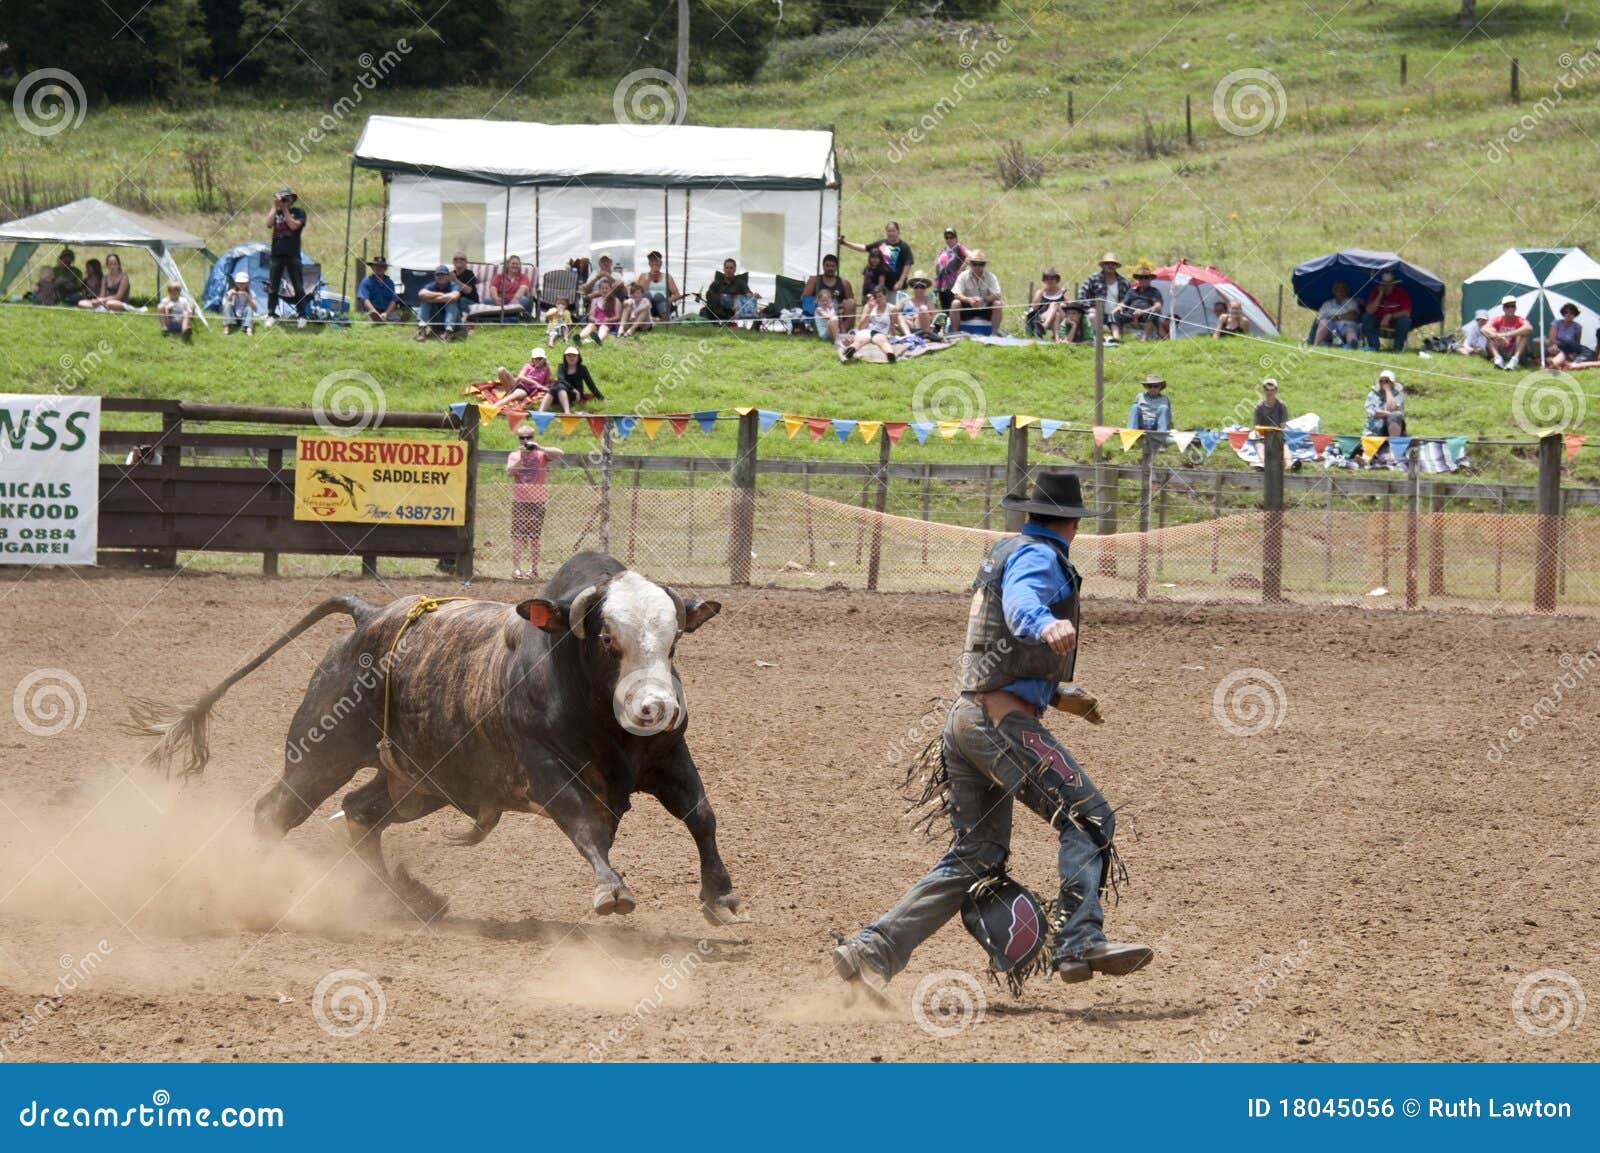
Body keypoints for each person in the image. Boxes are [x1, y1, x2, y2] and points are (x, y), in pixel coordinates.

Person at [832, 470, 1150, 993]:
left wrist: (1055, 693)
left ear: (1032, 513)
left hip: (966, 720)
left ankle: (872, 950)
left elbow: (997, 644)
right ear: (1073, 523)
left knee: (977, 855)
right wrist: (1045, 623)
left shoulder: (1006, 551)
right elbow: (1022, 606)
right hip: (1002, 726)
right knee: (1090, 818)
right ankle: (1079, 940)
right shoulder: (1041, 558)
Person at [505, 425, 565, 581]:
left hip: (538, 501)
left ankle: (534, 569)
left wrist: (540, 447)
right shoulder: (514, 455)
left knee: (535, 537)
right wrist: (522, 457)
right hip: (520, 501)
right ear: (518, 439)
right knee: (518, 536)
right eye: (522, 438)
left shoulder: (541, 454)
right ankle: (516, 569)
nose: (526, 441)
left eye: (529, 437)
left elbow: (560, 453)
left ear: (533, 438)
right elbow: (509, 472)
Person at [265, 187, 307, 329]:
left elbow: (293, 226)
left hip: (292, 254)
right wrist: (275, 206)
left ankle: (301, 315)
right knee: (273, 286)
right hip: (277, 254)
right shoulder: (276, 212)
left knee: (298, 286)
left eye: (286, 199)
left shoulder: (299, 213)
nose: (283, 201)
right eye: (282, 198)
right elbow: (268, 224)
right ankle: (271, 314)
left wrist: (284, 209)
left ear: (292, 200)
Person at [1073, 254, 1131, 344]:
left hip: (1117, 315)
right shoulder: (1093, 278)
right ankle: (1097, 338)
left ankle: (1116, 339)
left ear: (1116, 266)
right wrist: (1089, 307)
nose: (1110, 266)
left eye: (1113, 264)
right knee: (1092, 315)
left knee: (1118, 317)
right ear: (1103, 265)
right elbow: (1081, 295)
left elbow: (1130, 298)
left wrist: (1122, 305)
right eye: (1107, 263)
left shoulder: (1123, 282)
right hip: (1098, 313)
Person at [840, 220, 913, 292]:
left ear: (898, 231)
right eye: (889, 231)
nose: (891, 233)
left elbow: (907, 264)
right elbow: (864, 248)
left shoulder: (904, 246)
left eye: (893, 231)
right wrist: (845, 243)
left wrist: (901, 281)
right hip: (880, 289)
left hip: (897, 287)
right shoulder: (881, 243)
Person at [950, 249, 1003, 332]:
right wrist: (969, 300)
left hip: (985, 308)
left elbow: (997, 295)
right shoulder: (963, 276)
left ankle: (994, 333)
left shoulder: (991, 276)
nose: (978, 267)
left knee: (998, 303)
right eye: (975, 264)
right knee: (955, 303)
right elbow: (956, 294)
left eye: (981, 264)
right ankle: (954, 333)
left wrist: (983, 299)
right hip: (967, 308)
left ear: (985, 265)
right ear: (970, 264)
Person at [1361, 271, 1412, 352]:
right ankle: (1374, 347)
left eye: (1389, 284)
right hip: (1378, 320)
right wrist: (1380, 294)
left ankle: (1397, 349)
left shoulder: (1401, 293)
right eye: (1384, 284)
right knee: (1366, 318)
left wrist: (1390, 316)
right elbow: (1369, 311)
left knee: (1405, 320)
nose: (1386, 286)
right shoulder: (1375, 292)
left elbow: (1407, 312)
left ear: (1394, 284)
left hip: (1395, 321)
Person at [804, 254, 856, 332]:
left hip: (837, 311)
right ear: (823, 266)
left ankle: (842, 333)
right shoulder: (814, 280)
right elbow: (805, 300)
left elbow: (851, 303)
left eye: (832, 266)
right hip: (820, 311)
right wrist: (821, 305)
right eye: (827, 266)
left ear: (836, 267)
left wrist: (840, 306)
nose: (830, 268)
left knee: (851, 303)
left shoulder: (844, 283)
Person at [842, 289, 897, 362]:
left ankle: (890, 355)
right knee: (860, 340)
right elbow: (861, 327)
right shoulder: (868, 307)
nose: (878, 299)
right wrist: (870, 311)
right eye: (876, 297)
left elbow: (892, 325)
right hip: (867, 330)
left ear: (886, 296)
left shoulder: (892, 308)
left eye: (880, 296)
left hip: (880, 333)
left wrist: (894, 336)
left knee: (882, 342)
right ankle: (849, 352)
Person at [1117, 263, 1168, 340]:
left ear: (1150, 279)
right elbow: (1124, 303)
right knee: (1115, 315)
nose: (1143, 280)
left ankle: (1144, 339)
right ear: (1138, 279)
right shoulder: (1132, 291)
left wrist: (1142, 312)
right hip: (1130, 314)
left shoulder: (1154, 291)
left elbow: (1158, 306)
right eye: (1141, 278)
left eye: (1146, 277)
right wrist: (1120, 307)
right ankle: (1116, 338)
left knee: (1153, 314)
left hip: (1146, 315)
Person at [545, 346, 603, 413]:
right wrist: (573, 389)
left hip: (575, 396)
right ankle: (540, 413)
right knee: (557, 386)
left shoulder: (582, 368)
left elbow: (590, 384)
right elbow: (561, 379)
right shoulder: (561, 366)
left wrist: (601, 398)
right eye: (569, 356)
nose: (571, 358)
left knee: (559, 386)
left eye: (574, 356)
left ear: (578, 357)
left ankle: (567, 412)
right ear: (565, 357)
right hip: (564, 393)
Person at [492, 347, 552, 411]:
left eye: (540, 359)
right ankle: (509, 393)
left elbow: (546, 383)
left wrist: (543, 388)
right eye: (536, 359)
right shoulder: (528, 366)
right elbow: (520, 376)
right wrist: (535, 383)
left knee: (511, 397)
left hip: (525, 390)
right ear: (532, 359)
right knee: (501, 370)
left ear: (544, 359)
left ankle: (493, 407)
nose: (539, 361)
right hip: (517, 384)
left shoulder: (546, 370)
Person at [416, 264, 465, 341]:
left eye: (443, 274)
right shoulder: (432, 285)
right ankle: (422, 329)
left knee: (450, 301)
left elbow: (454, 296)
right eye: (438, 274)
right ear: (435, 276)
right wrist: (439, 294)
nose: (440, 276)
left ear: (448, 276)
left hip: (455, 323)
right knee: (425, 300)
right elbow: (421, 294)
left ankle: (448, 332)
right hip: (437, 321)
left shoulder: (454, 285)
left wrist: (432, 299)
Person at [1483, 295, 1532, 370]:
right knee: (1490, 336)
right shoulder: (1498, 319)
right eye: (1507, 306)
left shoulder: (1519, 319)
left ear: (1515, 308)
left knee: (1523, 335)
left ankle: (1514, 361)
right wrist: (1498, 336)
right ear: (1503, 308)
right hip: (1501, 348)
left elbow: (1529, 328)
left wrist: (1506, 334)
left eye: (1512, 306)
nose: (1510, 309)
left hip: (1514, 350)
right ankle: (1498, 359)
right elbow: (1484, 329)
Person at [702, 258, 758, 324]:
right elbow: (709, 295)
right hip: (718, 308)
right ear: (724, 269)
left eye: (731, 268)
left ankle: (727, 321)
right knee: (706, 306)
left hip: (733, 310)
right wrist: (721, 298)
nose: (729, 270)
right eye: (727, 268)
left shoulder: (740, 283)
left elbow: (748, 294)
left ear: (735, 269)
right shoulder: (717, 283)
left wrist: (753, 296)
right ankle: (723, 321)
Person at [635, 250, 683, 322]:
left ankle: (664, 318)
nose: (654, 263)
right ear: (649, 263)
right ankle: (648, 317)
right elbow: (639, 293)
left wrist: (668, 300)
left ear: (660, 263)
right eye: (652, 261)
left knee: (658, 296)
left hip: (662, 304)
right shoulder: (643, 276)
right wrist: (650, 277)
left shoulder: (667, 277)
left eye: (656, 261)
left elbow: (677, 295)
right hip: (648, 304)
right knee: (647, 294)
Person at [1025, 267, 1071, 342]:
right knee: (1056, 314)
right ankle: (1057, 339)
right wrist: (1041, 293)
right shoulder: (1040, 292)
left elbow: (1072, 305)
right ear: (1044, 280)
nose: (1050, 281)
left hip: (1063, 317)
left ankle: (1044, 326)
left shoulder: (1062, 292)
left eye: (1052, 279)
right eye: (1047, 279)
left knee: (1054, 305)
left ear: (1057, 280)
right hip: (1043, 316)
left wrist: (1064, 305)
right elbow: (1034, 308)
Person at [1312, 280, 1361, 348]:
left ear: (1346, 291)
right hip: (1331, 327)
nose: (1340, 291)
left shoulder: (1351, 302)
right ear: (1334, 291)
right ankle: (1316, 345)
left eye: (1343, 289)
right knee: (1324, 321)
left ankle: (1353, 345)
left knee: (1350, 331)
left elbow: (1353, 315)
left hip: (1347, 326)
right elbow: (1318, 320)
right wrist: (1330, 318)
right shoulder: (1327, 304)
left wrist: (1337, 317)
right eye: (1337, 289)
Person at [1548, 302, 1593, 369]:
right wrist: (1563, 346)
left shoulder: (1577, 326)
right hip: (1558, 346)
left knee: (1572, 344)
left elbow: (1577, 342)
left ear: (1575, 315)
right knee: (1565, 345)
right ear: (1563, 313)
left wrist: (1572, 350)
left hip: (1571, 347)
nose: (1568, 314)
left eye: (1571, 313)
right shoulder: (1556, 323)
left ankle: (1558, 361)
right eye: (1566, 312)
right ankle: (1563, 361)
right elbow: (1552, 339)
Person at [933, 227, 969, 312]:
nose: (949, 239)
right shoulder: (944, 249)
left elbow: (970, 256)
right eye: (946, 237)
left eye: (951, 237)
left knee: (953, 307)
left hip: (953, 283)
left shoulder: (959, 247)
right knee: (944, 308)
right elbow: (937, 261)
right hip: (942, 284)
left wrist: (961, 269)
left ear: (956, 238)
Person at [895, 270, 937, 338]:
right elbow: (893, 312)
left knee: (923, 308)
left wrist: (920, 316)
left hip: (921, 325)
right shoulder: (905, 301)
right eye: (916, 287)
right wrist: (905, 317)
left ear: (925, 289)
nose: (919, 289)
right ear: (913, 288)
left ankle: (922, 334)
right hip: (907, 324)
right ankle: (909, 337)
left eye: (922, 287)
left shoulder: (928, 302)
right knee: (899, 316)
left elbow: (935, 317)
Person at [355, 256, 398, 322]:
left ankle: (396, 321)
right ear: (372, 267)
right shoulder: (366, 281)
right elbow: (365, 300)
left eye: (381, 266)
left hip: (386, 311)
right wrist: (375, 313)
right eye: (376, 266)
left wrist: (386, 313)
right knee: (371, 318)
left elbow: (393, 301)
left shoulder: (390, 282)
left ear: (385, 268)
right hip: (370, 311)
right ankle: (378, 320)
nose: (379, 268)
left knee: (395, 318)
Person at [1364, 369, 1405, 438]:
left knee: (1394, 416)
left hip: (1392, 426)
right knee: (1393, 415)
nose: (1383, 383)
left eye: (1387, 381)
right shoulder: (1372, 394)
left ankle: (1394, 440)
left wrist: (1387, 390)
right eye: (1381, 381)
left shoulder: (1398, 395)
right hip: (1373, 429)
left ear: (1392, 383)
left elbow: (1393, 409)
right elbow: (1372, 411)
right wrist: (1388, 414)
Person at [222, 271, 262, 336]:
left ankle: (249, 330)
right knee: (228, 304)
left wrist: (248, 297)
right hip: (234, 316)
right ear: (236, 283)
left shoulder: (251, 292)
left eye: (243, 283)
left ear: (247, 283)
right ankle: (226, 329)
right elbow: (224, 305)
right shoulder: (232, 291)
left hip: (244, 317)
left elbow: (255, 309)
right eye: (239, 283)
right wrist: (231, 295)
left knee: (249, 308)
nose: (241, 285)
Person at [450, 251, 480, 316]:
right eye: (455, 259)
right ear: (453, 262)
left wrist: (455, 280)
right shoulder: (451, 274)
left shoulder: (469, 274)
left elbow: (468, 291)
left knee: (461, 300)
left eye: (462, 259)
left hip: (470, 300)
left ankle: (465, 319)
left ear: (466, 262)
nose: (458, 260)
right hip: (455, 299)